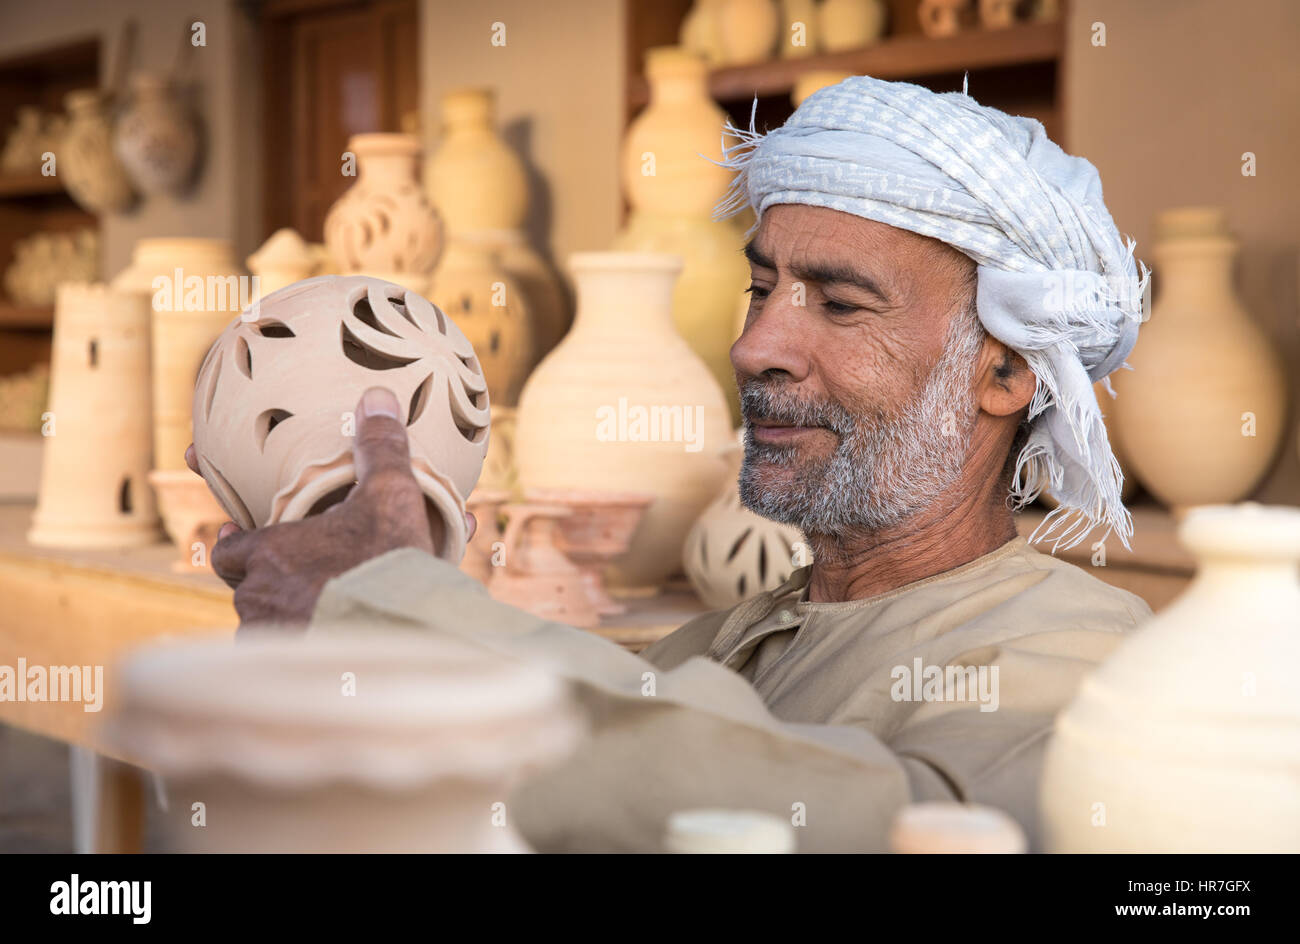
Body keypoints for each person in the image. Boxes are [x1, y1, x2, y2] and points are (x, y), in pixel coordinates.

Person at [198, 77, 1151, 852]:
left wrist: (392, 610)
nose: (753, 347)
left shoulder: (1086, 656)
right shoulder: (722, 646)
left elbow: (894, 822)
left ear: (1007, 370)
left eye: (841, 305)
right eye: (762, 288)